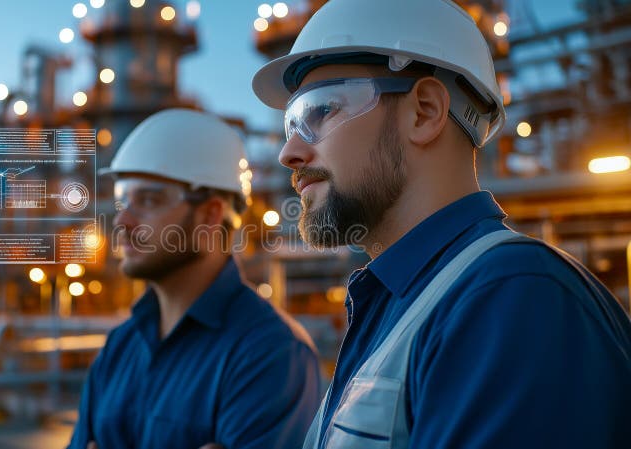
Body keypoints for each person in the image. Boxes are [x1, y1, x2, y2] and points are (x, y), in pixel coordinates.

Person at [252, 0, 631, 448]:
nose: (288, 153)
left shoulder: (512, 300)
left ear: (425, 112)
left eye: (322, 110)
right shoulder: (397, 302)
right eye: (291, 123)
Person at [67, 109, 321, 449]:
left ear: (210, 215)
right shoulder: (120, 345)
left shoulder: (271, 355)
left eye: (148, 200)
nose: (122, 221)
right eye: (122, 200)